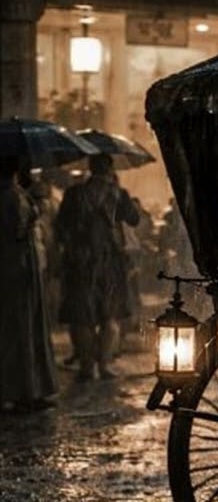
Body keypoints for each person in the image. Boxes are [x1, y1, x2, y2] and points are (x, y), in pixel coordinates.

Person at [55, 154, 139, 381]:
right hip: (110, 261)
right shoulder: (118, 194)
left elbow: (60, 226)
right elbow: (134, 219)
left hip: (80, 262)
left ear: (90, 168)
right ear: (110, 169)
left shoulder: (74, 194)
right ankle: (104, 366)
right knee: (109, 316)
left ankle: (86, 368)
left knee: (82, 317)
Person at [0, 157, 58, 411]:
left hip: (16, 267)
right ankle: (24, 390)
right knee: (22, 328)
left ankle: (25, 389)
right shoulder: (11, 196)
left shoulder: (14, 194)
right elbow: (17, 229)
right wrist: (37, 213)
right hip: (18, 268)